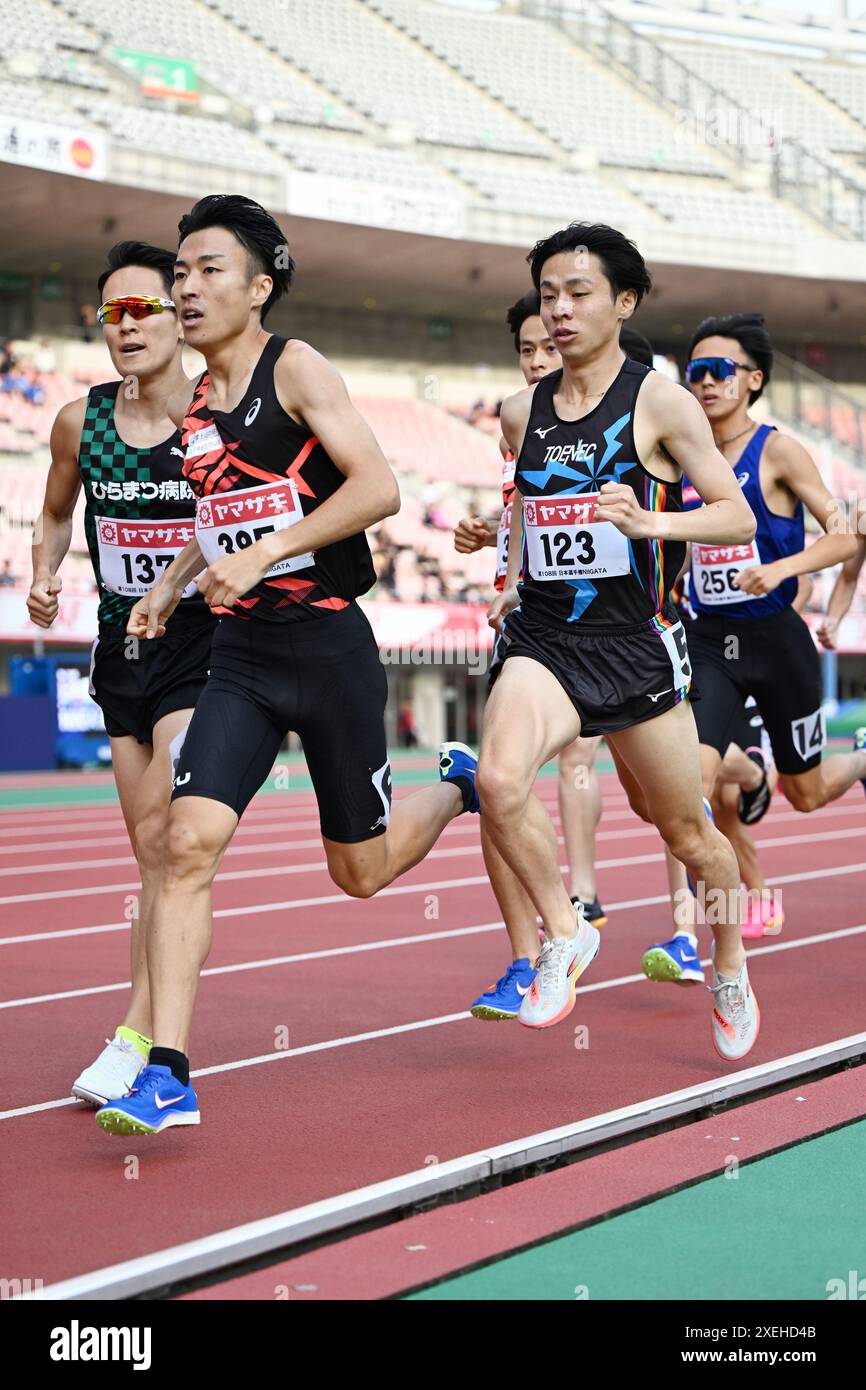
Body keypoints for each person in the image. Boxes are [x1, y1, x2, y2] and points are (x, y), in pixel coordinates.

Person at [95, 195, 478, 1137]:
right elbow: (217, 517)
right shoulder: (191, 405)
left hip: (331, 649)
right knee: (185, 845)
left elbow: (379, 488)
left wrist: (265, 555)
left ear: (260, 287)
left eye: (208, 270)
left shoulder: (294, 366)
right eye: (179, 272)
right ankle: (169, 1071)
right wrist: (176, 582)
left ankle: (458, 790)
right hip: (243, 656)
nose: (186, 287)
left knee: (361, 871)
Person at [482, 222, 760, 1062]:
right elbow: (533, 506)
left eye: (578, 294)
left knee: (690, 836)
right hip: (546, 638)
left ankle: (729, 960)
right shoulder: (519, 409)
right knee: (497, 779)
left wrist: (654, 519)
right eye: (548, 297)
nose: (559, 312)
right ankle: (566, 931)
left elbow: (735, 514)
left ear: (624, 302)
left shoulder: (660, 402)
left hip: (634, 645)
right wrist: (503, 554)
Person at [28, 241, 217, 1105]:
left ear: (180, 319)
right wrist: (44, 571)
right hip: (120, 652)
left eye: (146, 308)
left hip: (203, 650)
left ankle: (139, 1037)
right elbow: (57, 509)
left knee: (174, 841)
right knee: (148, 850)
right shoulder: (81, 420)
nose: (130, 325)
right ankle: (147, 1026)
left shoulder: (217, 420)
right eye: (114, 313)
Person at [642, 313, 864, 984]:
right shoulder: (679, 451)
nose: (704, 383)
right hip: (709, 640)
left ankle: (858, 762)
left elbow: (846, 536)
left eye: (719, 372)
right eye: (694, 372)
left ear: (753, 380)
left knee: (808, 792)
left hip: (776, 638)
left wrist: (785, 570)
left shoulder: (779, 450)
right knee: (688, 786)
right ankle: (699, 933)